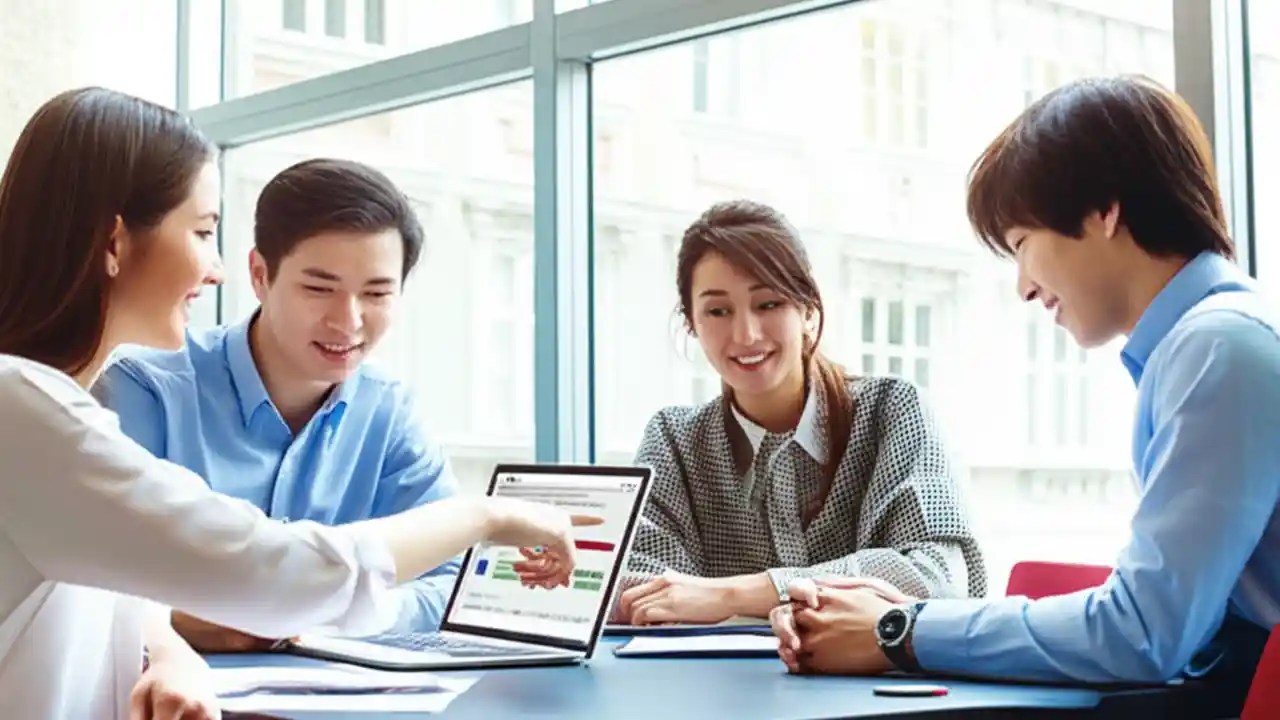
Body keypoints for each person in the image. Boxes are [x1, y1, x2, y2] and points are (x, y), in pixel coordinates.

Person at [0, 87, 583, 720]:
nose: (213, 268)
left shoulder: (36, 410)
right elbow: (279, 572)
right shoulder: (26, 415)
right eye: (201, 232)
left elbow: (121, 585)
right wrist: (486, 516)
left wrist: (176, 650)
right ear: (113, 242)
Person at [770, 75, 1280, 715]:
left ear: (1103, 210)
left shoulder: (1219, 349)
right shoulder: (1207, 344)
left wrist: (898, 632)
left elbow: (1144, 635)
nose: (1024, 287)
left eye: (1021, 245)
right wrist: (911, 618)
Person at [94, 157, 463, 652]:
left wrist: (327, 617)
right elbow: (94, 582)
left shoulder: (389, 413)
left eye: (376, 293)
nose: (348, 321)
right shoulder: (147, 390)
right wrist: (178, 623)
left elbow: (455, 586)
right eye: (319, 289)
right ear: (259, 274)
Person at [615, 200, 987, 626]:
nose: (746, 334)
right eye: (718, 311)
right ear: (692, 325)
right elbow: (640, 589)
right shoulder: (674, 440)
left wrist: (736, 594)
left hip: (870, 690)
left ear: (808, 309)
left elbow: (937, 573)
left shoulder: (891, 409)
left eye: (768, 304)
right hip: (717, 688)